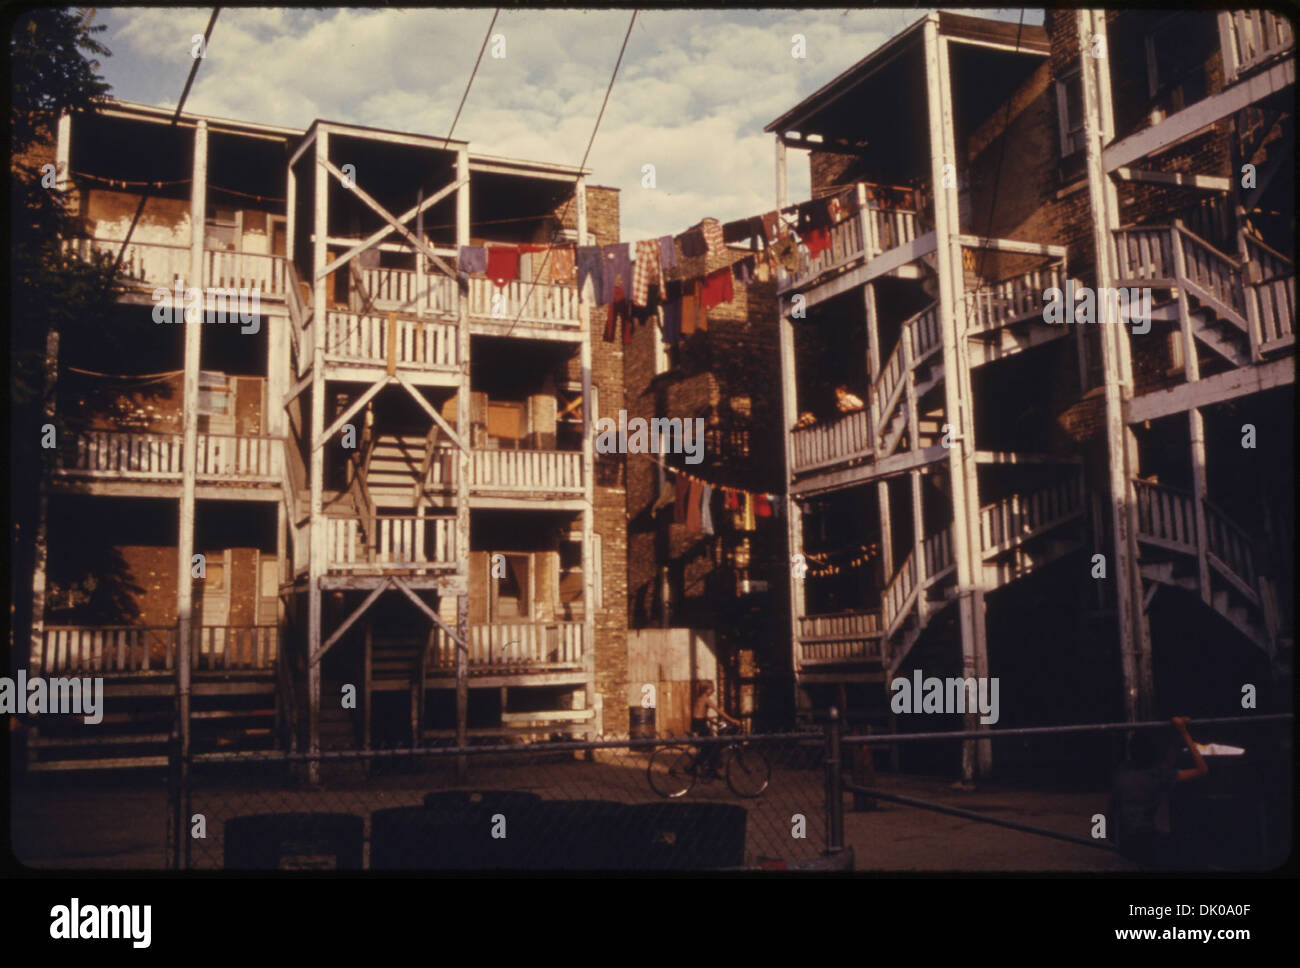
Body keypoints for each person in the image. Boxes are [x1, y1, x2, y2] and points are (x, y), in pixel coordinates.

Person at [1110, 716, 1209, 869]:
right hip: (1143, 840)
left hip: (1123, 840)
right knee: (1189, 850)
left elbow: (1167, 764)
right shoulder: (1157, 775)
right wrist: (1184, 733)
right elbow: (1202, 769)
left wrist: (1177, 735)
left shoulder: (1122, 772)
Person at [691, 681, 741, 778]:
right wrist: (733, 720)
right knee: (715, 745)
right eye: (711, 688)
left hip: (698, 724)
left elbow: (700, 714)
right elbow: (719, 711)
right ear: (706, 690)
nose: (713, 690)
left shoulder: (699, 698)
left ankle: (704, 768)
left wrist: (714, 722)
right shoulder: (706, 699)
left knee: (708, 747)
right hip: (701, 725)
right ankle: (711, 770)